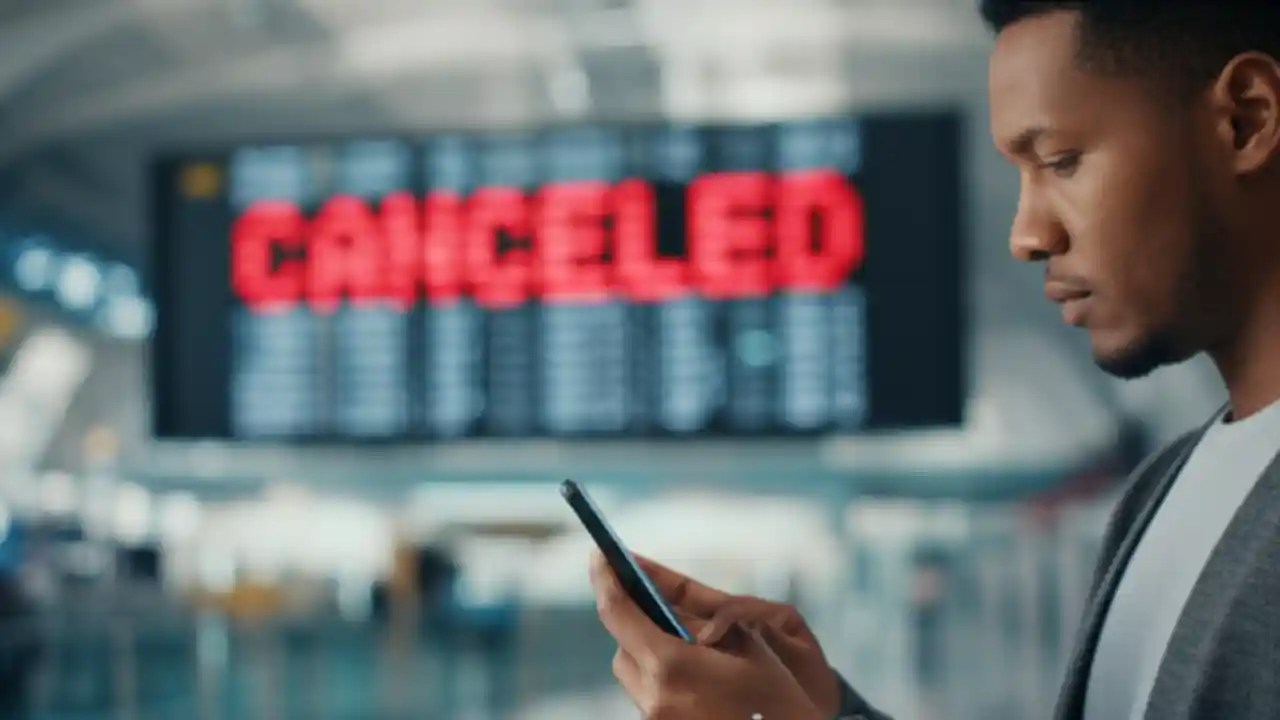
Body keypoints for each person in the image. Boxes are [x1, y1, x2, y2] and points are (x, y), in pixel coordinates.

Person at [588, 1, 1280, 718]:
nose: (1027, 234)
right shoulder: (1163, 489)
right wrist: (822, 707)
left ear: (1247, 120)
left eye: (1061, 162)